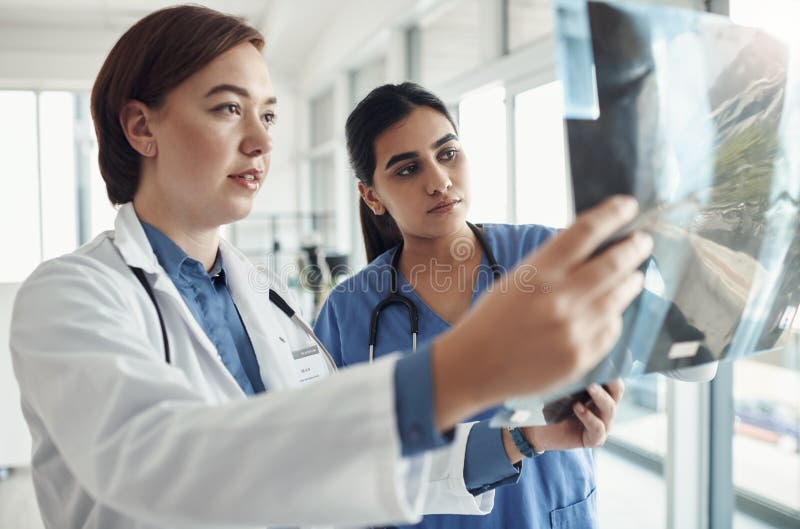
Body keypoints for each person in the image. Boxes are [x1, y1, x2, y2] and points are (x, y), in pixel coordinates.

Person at [9, 6, 652, 529]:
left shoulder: (265, 302)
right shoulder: (71, 296)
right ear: (141, 128)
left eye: (266, 114)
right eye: (229, 108)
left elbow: (343, 460)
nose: (261, 140)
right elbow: (164, 462)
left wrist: (528, 440)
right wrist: (462, 372)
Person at [314, 82, 623, 529]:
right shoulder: (349, 310)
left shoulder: (546, 253)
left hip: (549, 513)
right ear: (371, 196)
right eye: (406, 170)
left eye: (447, 153)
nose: (439, 181)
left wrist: (602, 394)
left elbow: (657, 338)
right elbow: (339, 458)